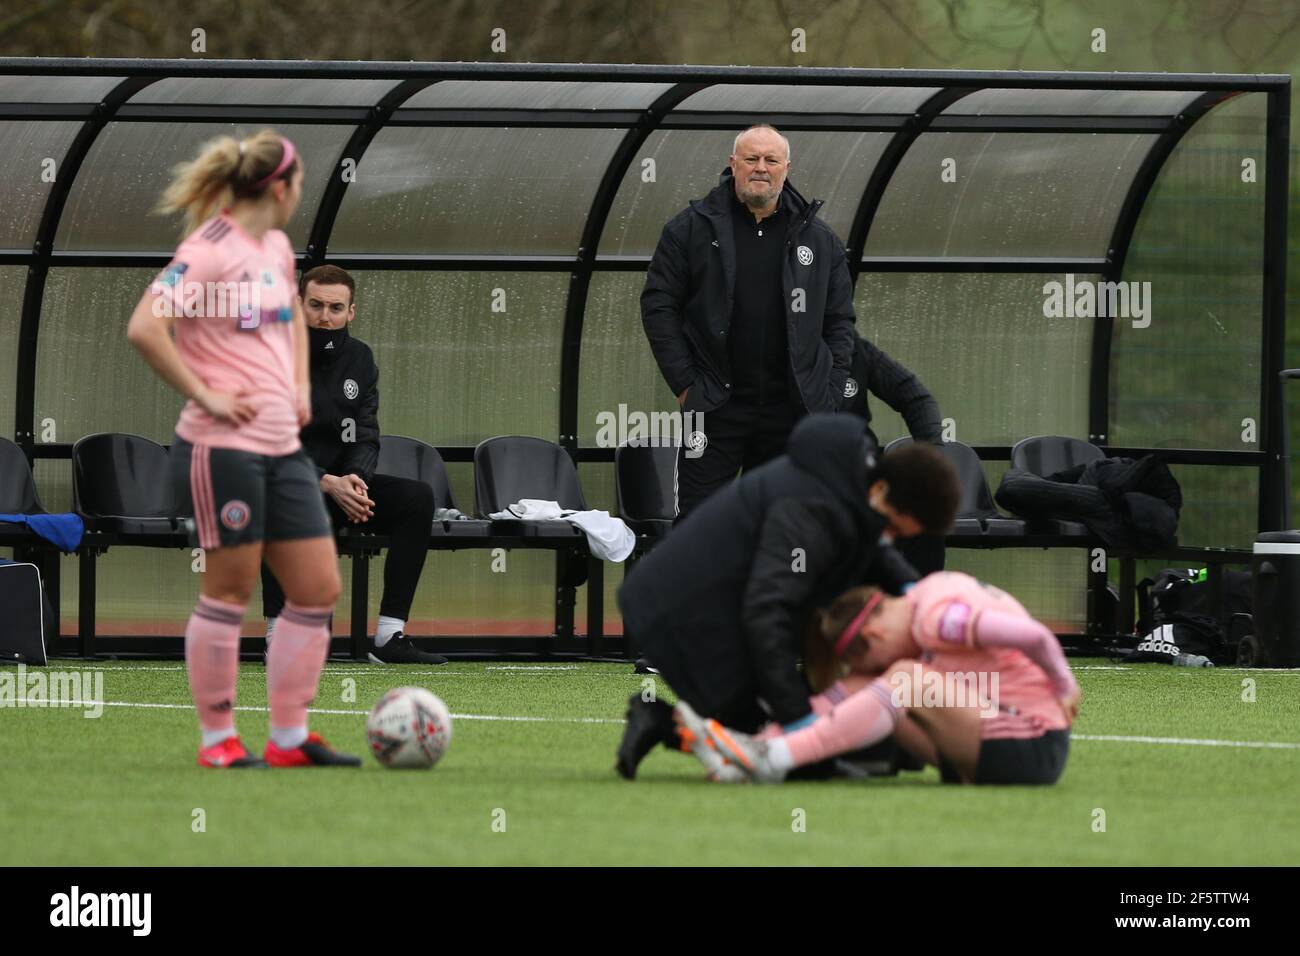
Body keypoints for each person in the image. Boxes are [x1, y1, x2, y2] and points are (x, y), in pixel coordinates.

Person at [127, 129, 359, 768]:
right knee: (228, 591)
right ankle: (218, 742)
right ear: (279, 187)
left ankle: (288, 738)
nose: (300, 195)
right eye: (301, 185)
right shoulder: (208, 248)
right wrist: (208, 394)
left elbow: (286, 307)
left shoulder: (277, 246)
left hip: (284, 449)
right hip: (221, 448)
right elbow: (146, 326)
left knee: (316, 587)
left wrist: (294, 386)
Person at [614, 412, 960, 779]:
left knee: (852, 753)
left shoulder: (854, 486)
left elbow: (874, 546)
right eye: (894, 528)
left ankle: (675, 722)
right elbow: (767, 610)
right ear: (881, 492)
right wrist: (801, 722)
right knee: (802, 760)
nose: (892, 538)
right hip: (681, 616)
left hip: (712, 604)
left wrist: (919, 594)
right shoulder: (810, 508)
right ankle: (662, 720)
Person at [640, 124, 857, 522]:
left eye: (770, 160)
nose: (761, 167)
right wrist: (687, 385)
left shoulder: (820, 241)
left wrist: (826, 388)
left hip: (792, 410)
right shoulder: (689, 229)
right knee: (701, 528)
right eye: (751, 158)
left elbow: (840, 321)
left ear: (786, 168)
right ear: (732, 164)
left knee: (783, 529)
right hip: (714, 406)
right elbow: (658, 306)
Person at [682, 571, 1081, 785]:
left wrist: (1065, 686)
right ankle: (753, 747)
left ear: (872, 635)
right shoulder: (923, 594)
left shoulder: (934, 617)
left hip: (1033, 745)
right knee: (879, 686)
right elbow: (847, 692)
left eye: (860, 658)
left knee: (905, 677)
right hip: (1000, 741)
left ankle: (777, 759)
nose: (864, 669)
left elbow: (1036, 636)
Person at [260, 264, 444, 665]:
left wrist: (356, 480)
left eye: (335, 307)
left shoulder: (360, 358)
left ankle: (389, 636)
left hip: (342, 484)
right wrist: (326, 482)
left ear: (351, 312)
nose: (325, 316)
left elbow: (365, 432)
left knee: (416, 498)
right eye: (316, 305)